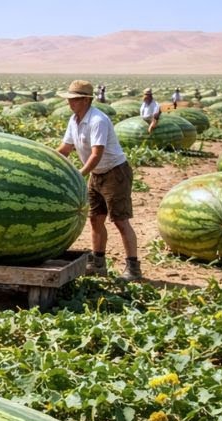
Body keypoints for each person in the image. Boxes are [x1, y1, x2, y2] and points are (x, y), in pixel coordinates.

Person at [55, 80, 143, 282]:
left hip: (115, 173)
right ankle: (98, 263)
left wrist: (79, 174)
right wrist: (47, 159)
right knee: (95, 219)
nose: (70, 103)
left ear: (86, 100)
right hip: (96, 174)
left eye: (74, 100)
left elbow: (96, 154)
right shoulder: (74, 120)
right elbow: (65, 149)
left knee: (120, 221)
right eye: (69, 100)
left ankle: (133, 268)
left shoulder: (98, 120)